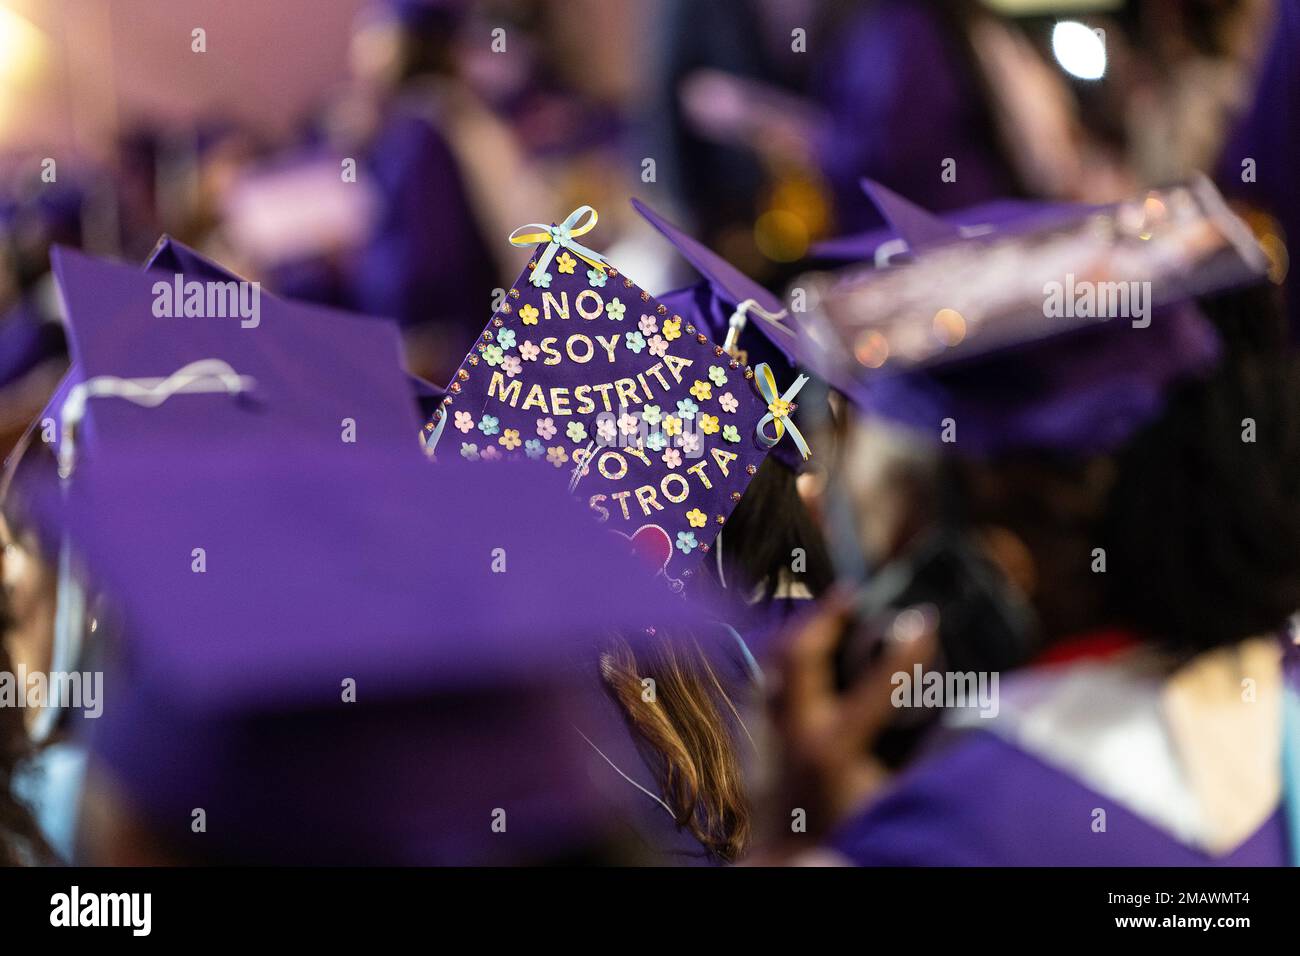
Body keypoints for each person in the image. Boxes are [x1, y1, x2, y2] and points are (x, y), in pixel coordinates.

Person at [763, 180, 1300, 864]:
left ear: (998, 540)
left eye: (867, 482)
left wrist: (795, 836)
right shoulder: (1274, 712)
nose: (821, 505)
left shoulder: (950, 835)